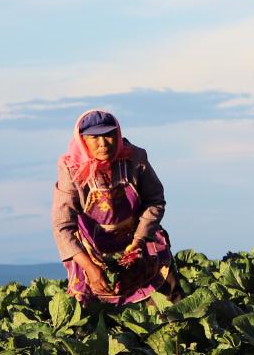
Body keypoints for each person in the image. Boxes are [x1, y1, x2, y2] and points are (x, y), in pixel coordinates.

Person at [51, 109, 176, 305]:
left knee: (168, 303)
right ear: (83, 140)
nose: (103, 143)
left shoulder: (135, 158)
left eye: (109, 135)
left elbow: (155, 200)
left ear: (117, 134)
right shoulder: (70, 168)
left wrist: (140, 240)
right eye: (94, 137)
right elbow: (62, 225)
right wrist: (91, 268)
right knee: (91, 317)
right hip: (93, 251)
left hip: (136, 243)